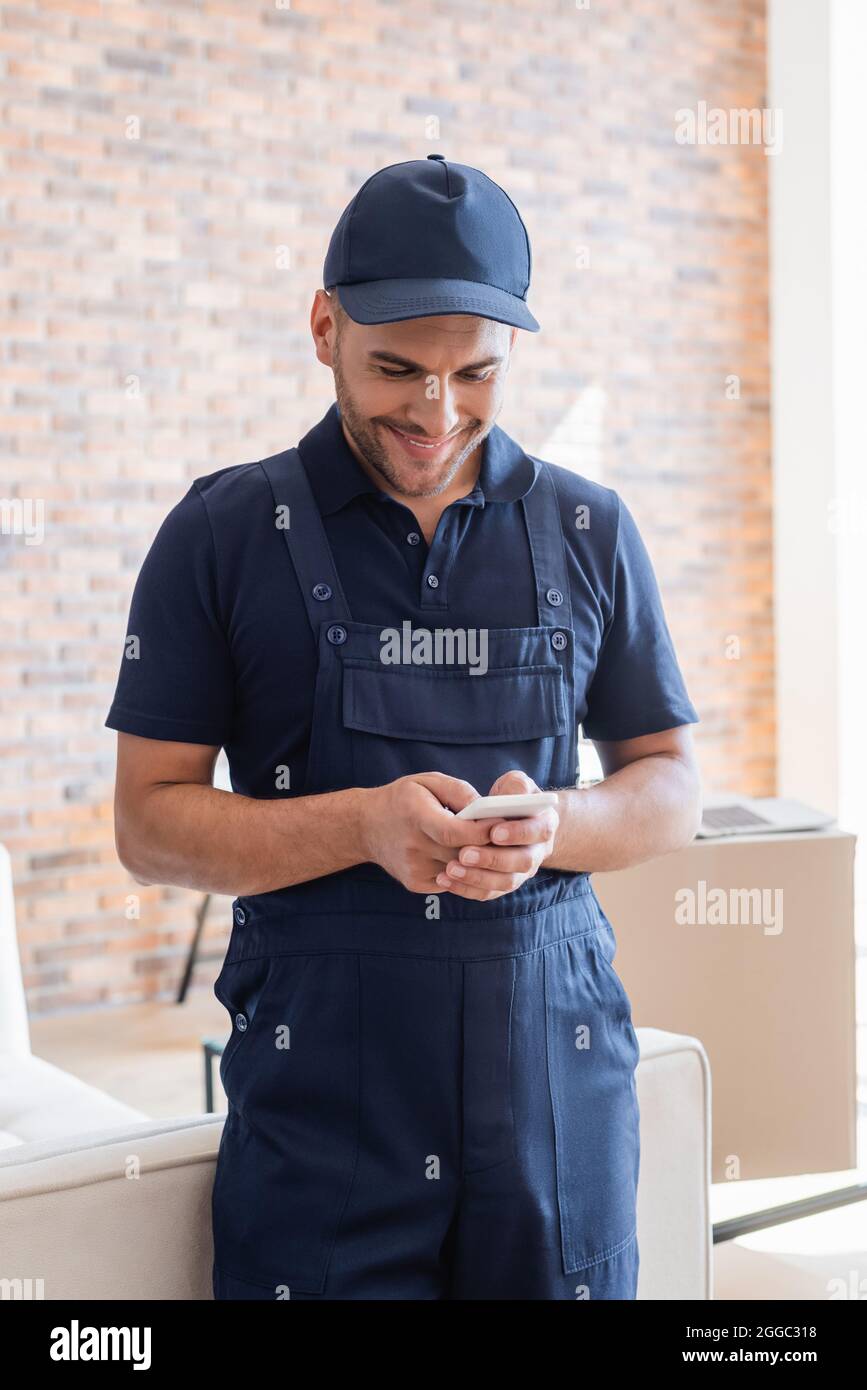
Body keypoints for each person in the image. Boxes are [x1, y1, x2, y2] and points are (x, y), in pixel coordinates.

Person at [106, 155, 701, 1301]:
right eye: (396, 369)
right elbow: (148, 825)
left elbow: (670, 783)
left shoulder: (591, 527)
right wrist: (363, 826)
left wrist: (559, 822)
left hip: (554, 1102)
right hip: (324, 1110)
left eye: (474, 373)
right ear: (323, 325)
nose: (436, 414)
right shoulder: (223, 533)